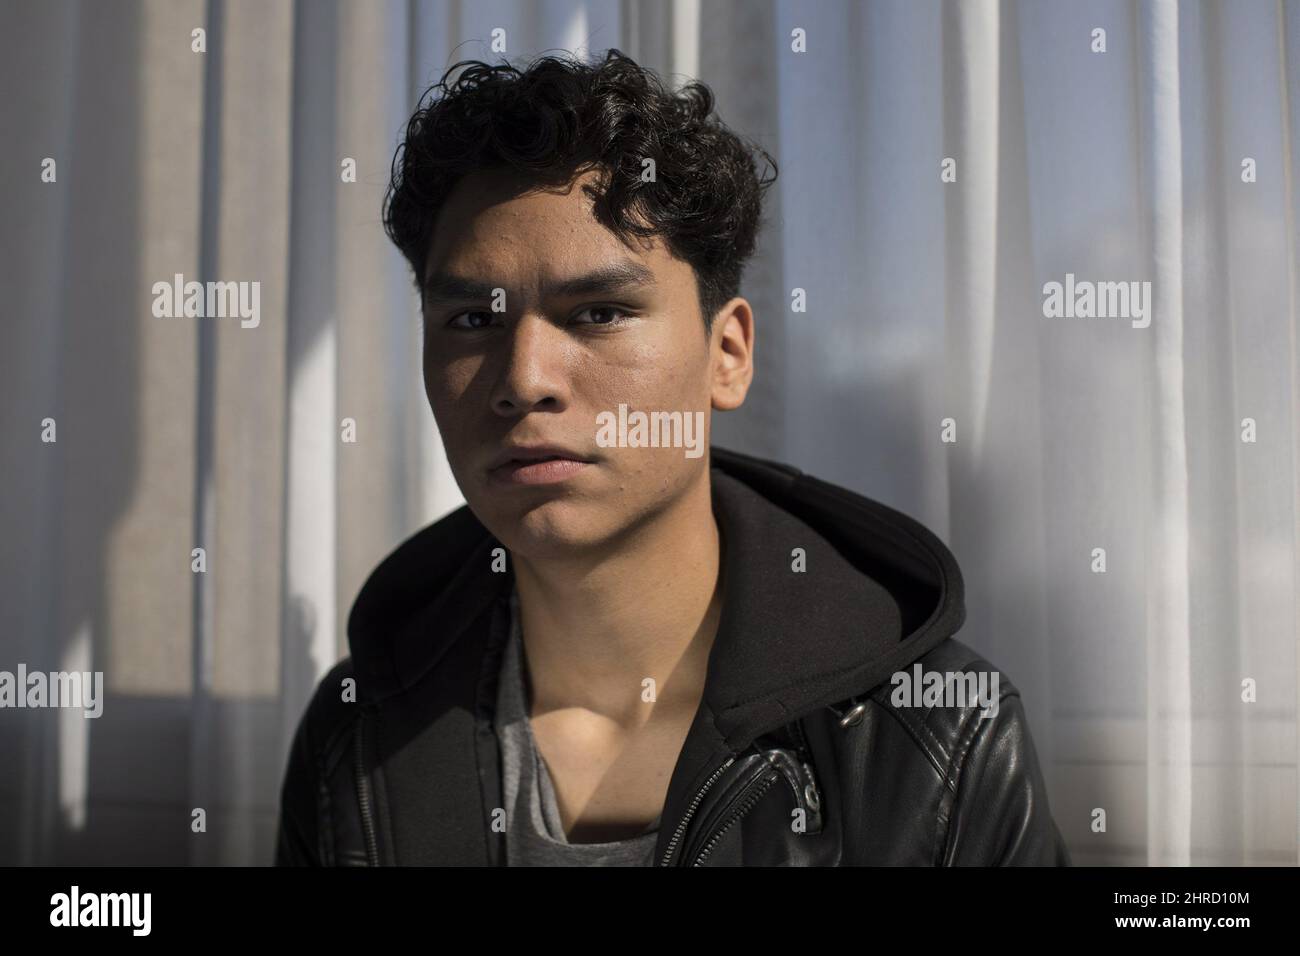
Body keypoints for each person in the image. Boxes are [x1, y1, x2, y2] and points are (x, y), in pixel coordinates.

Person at [274, 48, 1069, 866]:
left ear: (727, 354)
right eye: (474, 321)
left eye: (599, 313)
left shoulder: (937, 740)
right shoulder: (359, 739)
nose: (524, 380)